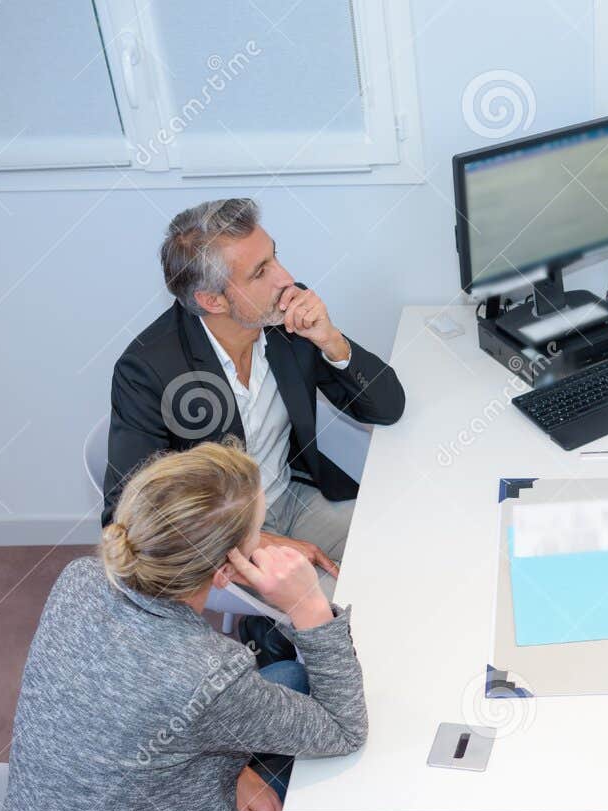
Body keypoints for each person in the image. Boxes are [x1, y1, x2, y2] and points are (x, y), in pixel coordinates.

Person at [1, 440, 367, 811]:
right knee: (313, 701)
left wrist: (233, 770)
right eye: (258, 533)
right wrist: (308, 604)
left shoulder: (79, 579)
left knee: (283, 675)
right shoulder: (207, 672)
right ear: (226, 568)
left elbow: (123, 715)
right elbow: (346, 727)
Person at [103, 197, 405, 658]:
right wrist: (254, 539)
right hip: (224, 537)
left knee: (402, 548)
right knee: (350, 628)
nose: (285, 279)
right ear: (211, 300)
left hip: (295, 494)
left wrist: (330, 340)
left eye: (275, 256)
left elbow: (388, 408)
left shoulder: (285, 319)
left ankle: (277, 632)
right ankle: (271, 637)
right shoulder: (148, 369)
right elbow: (125, 516)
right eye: (261, 271)